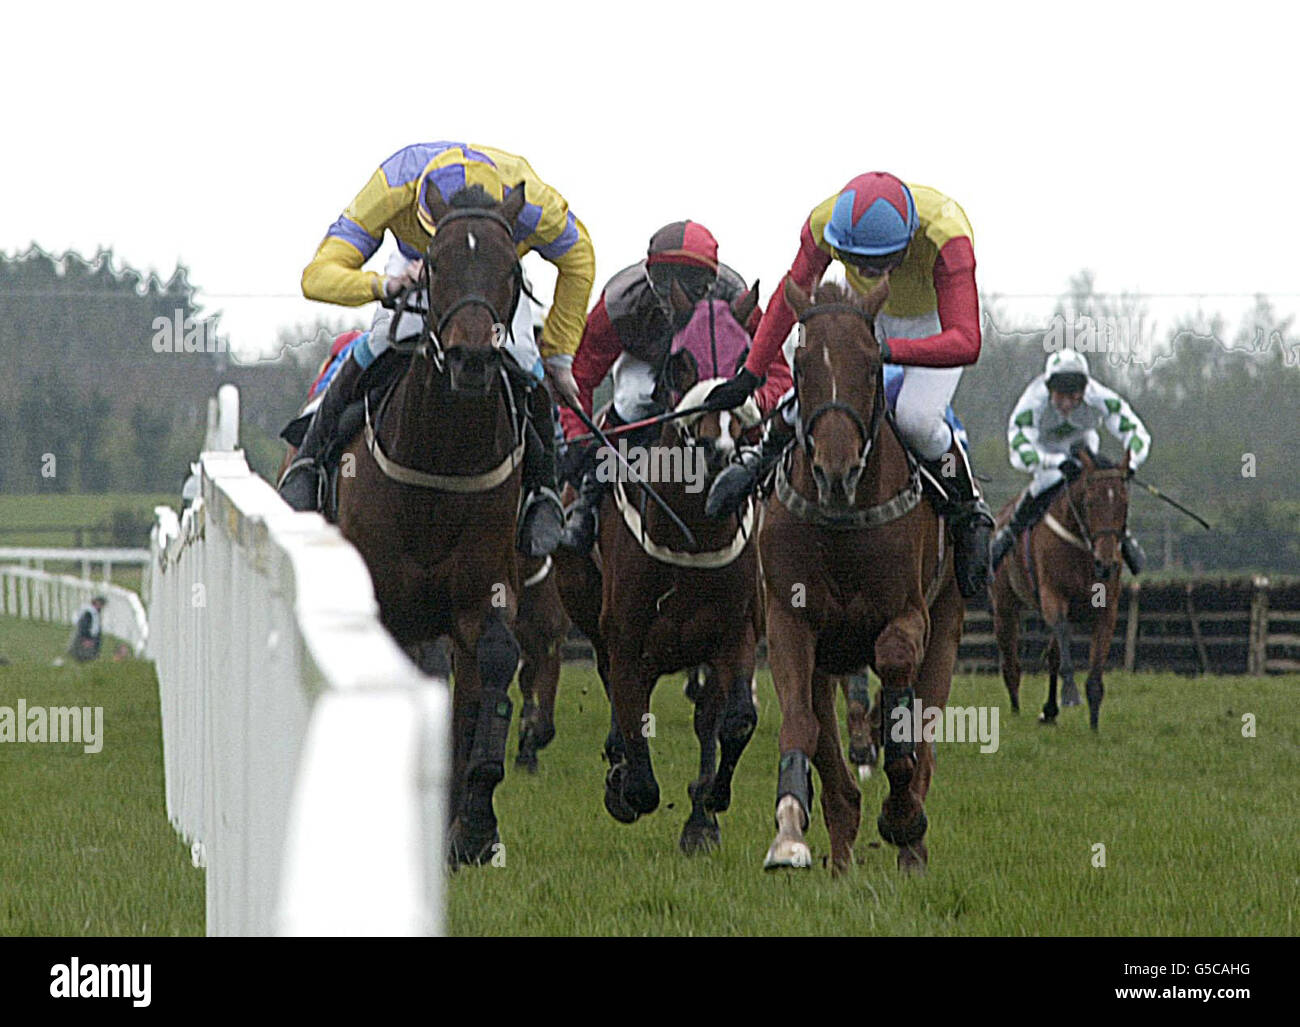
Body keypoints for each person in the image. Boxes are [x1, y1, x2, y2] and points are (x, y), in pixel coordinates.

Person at [279, 142, 595, 558]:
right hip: (427, 272)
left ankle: (544, 493)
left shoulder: (536, 204)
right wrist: (383, 285)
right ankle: (310, 461)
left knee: (525, 359)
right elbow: (316, 277)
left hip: (490, 282)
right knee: (378, 342)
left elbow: (579, 257)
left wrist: (559, 353)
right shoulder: (394, 184)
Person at [704, 172, 994, 598]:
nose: (865, 271)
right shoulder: (823, 224)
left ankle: (968, 509)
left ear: (908, 240)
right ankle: (758, 461)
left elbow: (966, 342)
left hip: (934, 325)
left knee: (915, 419)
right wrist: (750, 373)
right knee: (825, 387)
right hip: (867, 316)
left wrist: (887, 351)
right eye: (855, 260)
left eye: (879, 263)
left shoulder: (948, 235)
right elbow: (791, 298)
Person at [557, 221, 792, 554]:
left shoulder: (737, 299)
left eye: (691, 283)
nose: (674, 295)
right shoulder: (621, 300)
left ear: (711, 282)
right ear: (649, 275)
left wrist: (751, 400)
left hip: (707, 370)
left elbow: (781, 377)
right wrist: (578, 438)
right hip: (645, 364)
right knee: (633, 397)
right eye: (664, 281)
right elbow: (579, 376)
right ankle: (588, 502)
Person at [990, 349, 1149, 573]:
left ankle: (1125, 538)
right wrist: (1054, 462)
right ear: (1048, 389)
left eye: (1073, 395)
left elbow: (1134, 431)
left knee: (1105, 487)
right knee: (1048, 481)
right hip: (1045, 449)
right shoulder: (1032, 401)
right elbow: (1019, 449)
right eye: (1060, 395)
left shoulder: (1100, 397)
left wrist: (1132, 464)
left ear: (1084, 389)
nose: (1066, 403)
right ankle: (1008, 534)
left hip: (1082, 445)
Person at [68, 596, 106, 663]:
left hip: (91, 635)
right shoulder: (89, 613)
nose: (101, 606)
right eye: (100, 604)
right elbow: (84, 626)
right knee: (83, 652)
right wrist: (87, 638)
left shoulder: (95, 612)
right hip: (86, 636)